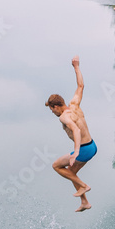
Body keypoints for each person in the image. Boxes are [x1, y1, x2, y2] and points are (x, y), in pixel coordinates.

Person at [46, 56, 97, 213]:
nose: (52, 112)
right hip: (93, 146)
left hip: (83, 149)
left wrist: (75, 152)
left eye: (51, 109)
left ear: (56, 106)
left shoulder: (64, 116)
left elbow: (75, 130)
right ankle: (84, 202)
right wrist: (76, 67)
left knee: (56, 165)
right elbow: (80, 86)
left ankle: (84, 186)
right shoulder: (74, 105)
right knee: (71, 173)